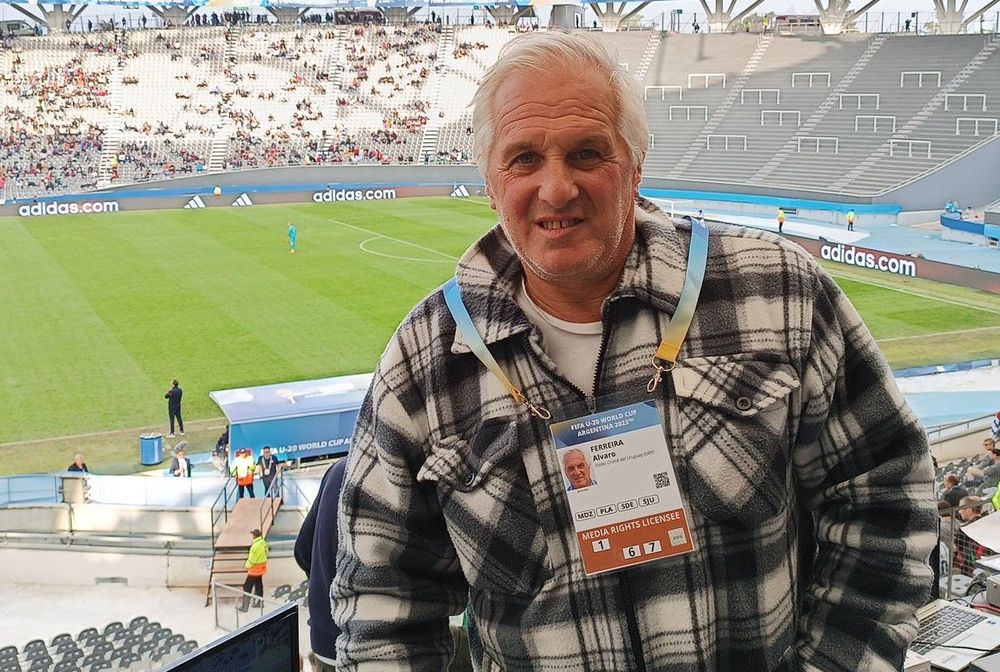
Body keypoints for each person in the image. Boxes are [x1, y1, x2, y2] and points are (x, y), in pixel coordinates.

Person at [333, 31, 935, 672]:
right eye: (524, 159)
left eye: (587, 154)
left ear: (636, 163)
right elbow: (382, 604)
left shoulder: (779, 291)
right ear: (490, 180)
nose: (556, 188)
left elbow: (884, 496)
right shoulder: (424, 363)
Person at [294, 459, 347, 672]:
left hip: (326, 644)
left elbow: (302, 551)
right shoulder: (409, 474)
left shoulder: (339, 470)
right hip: (375, 652)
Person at [240, 528, 268, 611]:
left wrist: (247, 566)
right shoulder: (263, 543)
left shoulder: (254, 546)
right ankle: (260, 603)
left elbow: (252, 559)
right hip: (262, 568)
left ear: (254, 536)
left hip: (254, 570)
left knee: (246, 587)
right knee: (259, 585)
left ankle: (244, 607)